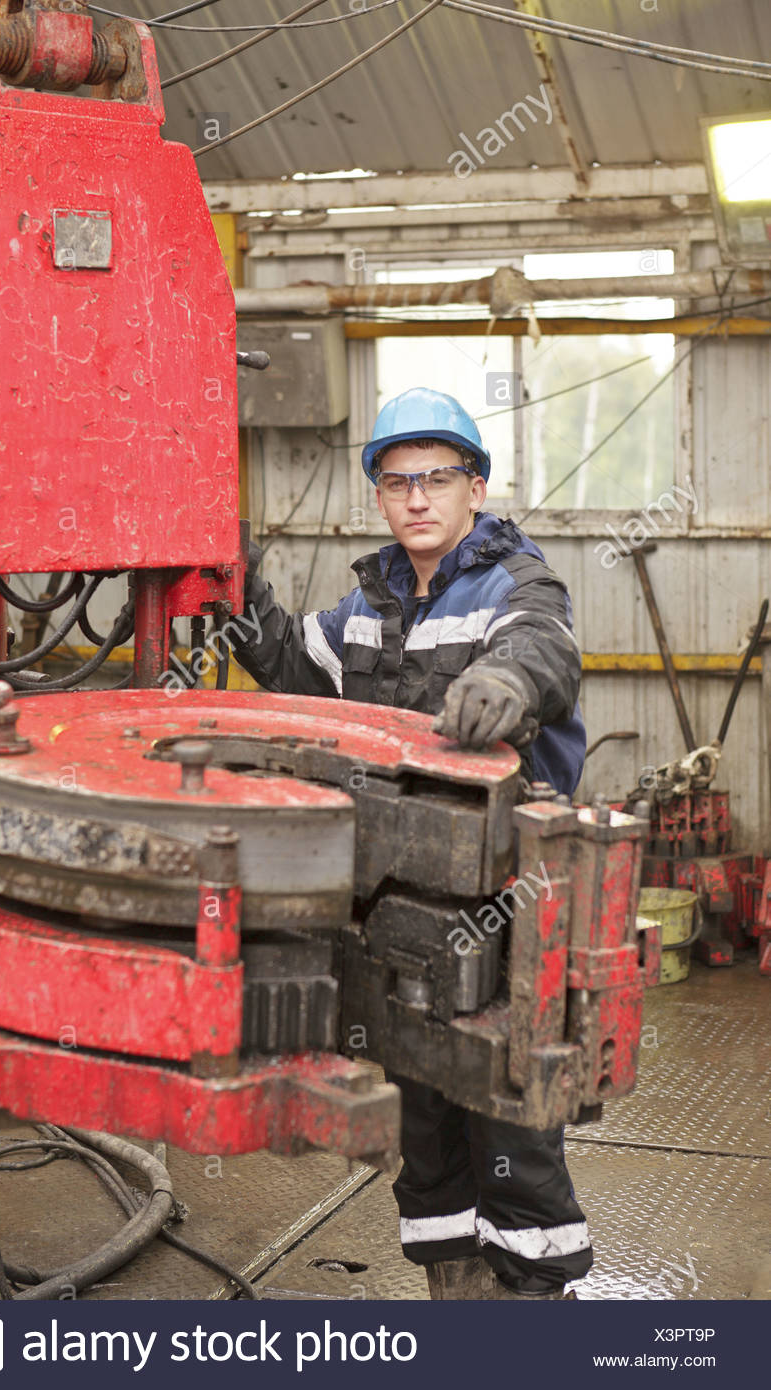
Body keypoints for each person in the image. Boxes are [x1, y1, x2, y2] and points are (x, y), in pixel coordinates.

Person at [232, 386, 592, 1300]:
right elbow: (287, 661)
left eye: (437, 478)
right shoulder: (365, 604)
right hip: (402, 904)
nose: (417, 498)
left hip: (506, 901)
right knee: (423, 1116)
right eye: (397, 483)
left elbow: (544, 648)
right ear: (380, 499)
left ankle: (530, 1309)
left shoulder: (518, 584)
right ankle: (454, 1300)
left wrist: (509, 679)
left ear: (477, 486)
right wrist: (225, 575)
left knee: (508, 1110)